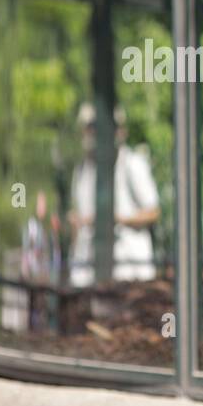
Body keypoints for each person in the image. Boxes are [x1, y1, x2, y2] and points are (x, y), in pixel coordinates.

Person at [68, 103, 161, 287]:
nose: (91, 132)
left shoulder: (132, 164)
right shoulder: (81, 170)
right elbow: (77, 222)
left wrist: (115, 219)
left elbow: (153, 212)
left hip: (129, 272)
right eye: (89, 127)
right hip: (87, 273)